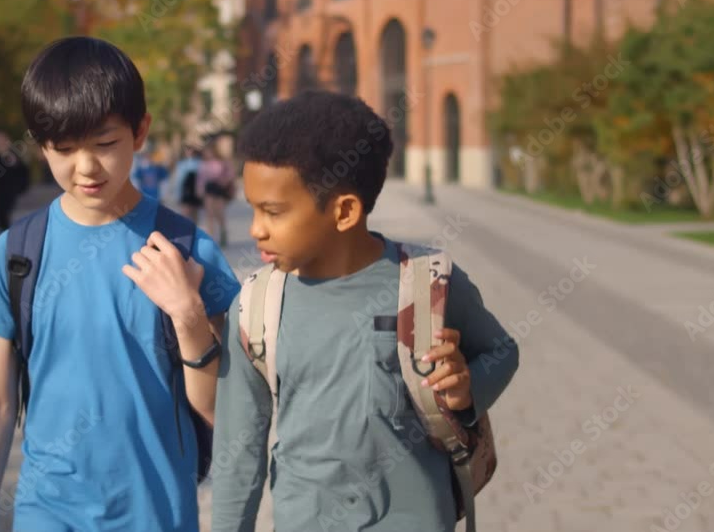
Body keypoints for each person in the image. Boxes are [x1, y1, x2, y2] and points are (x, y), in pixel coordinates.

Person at [0, 37, 241, 532]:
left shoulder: (187, 250)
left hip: (157, 515)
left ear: (140, 132)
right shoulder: (16, 254)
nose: (85, 167)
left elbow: (224, 413)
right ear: (40, 142)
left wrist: (189, 315)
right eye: (63, 149)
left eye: (105, 144)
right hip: (45, 513)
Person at [210, 91, 519, 532]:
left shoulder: (426, 284)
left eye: (273, 212)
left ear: (345, 211)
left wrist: (466, 393)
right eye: (253, 208)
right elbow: (237, 454)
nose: (255, 228)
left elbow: (502, 351)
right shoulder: (256, 307)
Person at [0, 131, 30, 231]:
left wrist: (22, 187)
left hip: (15, 193)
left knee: (15, 217)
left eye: (2, 140)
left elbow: (23, 172)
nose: (0, 143)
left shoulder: (14, 155)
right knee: (2, 217)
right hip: (0, 192)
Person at [196, 144, 235, 247]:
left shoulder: (222, 162)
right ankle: (211, 238)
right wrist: (199, 190)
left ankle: (223, 232)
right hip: (209, 190)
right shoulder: (204, 164)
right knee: (209, 215)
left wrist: (224, 182)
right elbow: (201, 178)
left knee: (219, 213)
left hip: (219, 190)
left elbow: (230, 174)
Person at [173, 145, 204, 223]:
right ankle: (186, 232)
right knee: (185, 213)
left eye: (191, 150)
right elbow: (179, 180)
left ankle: (194, 232)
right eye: (187, 150)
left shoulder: (200, 162)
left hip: (196, 190)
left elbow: (203, 179)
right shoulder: (182, 163)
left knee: (195, 214)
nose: (189, 152)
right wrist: (178, 194)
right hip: (186, 190)